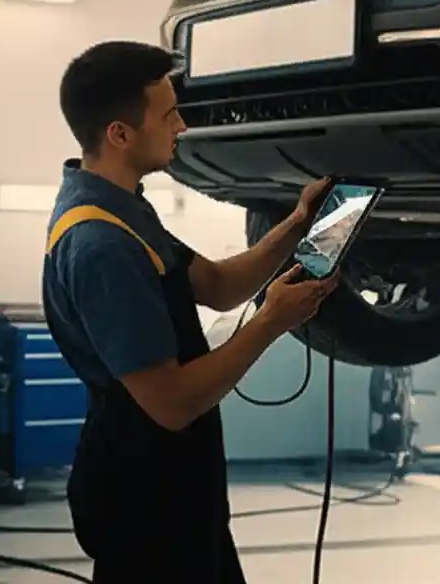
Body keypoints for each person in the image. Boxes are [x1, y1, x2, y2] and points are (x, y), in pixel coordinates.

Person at [42, 41, 341, 583]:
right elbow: (172, 403)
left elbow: (220, 286)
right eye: (169, 115)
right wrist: (271, 321)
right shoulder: (101, 245)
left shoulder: (121, 210)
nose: (181, 126)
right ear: (120, 134)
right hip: (146, 500)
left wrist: (297, 223)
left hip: (177, 486)